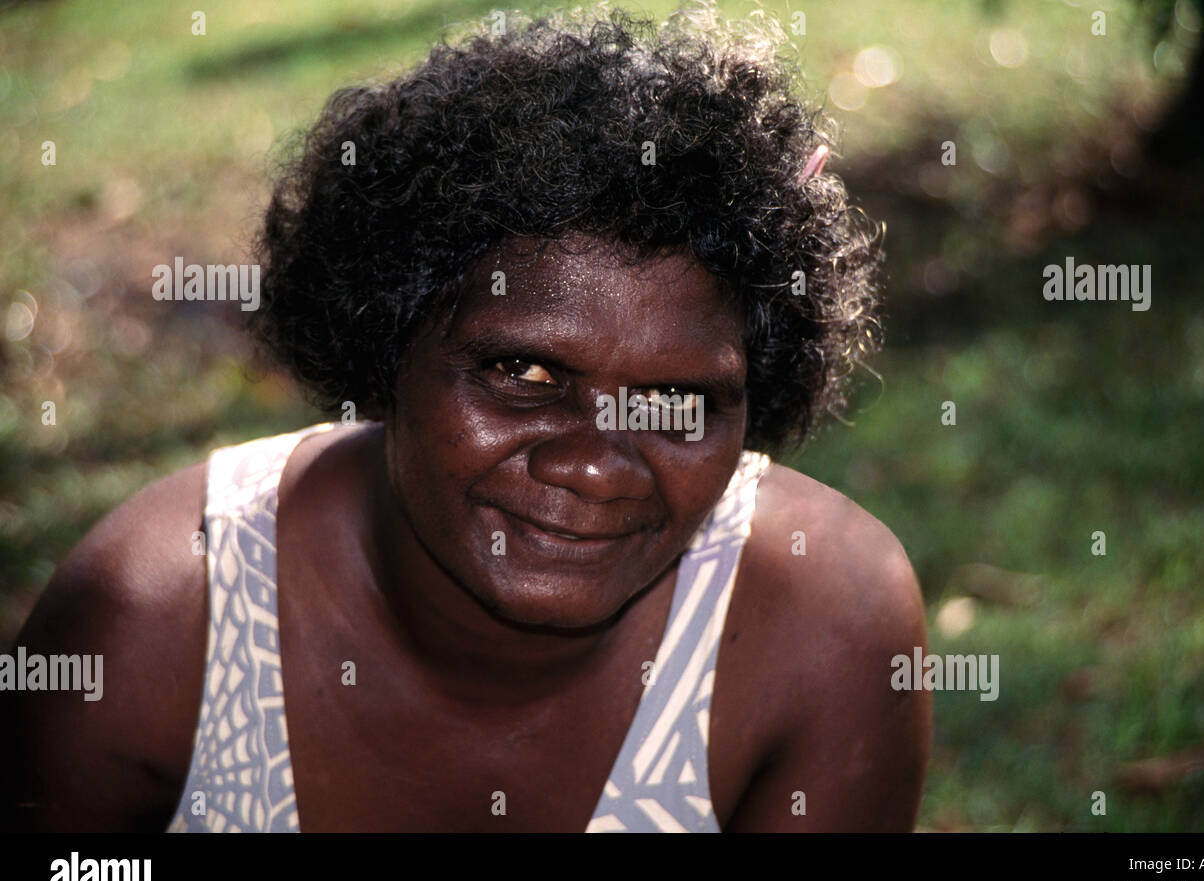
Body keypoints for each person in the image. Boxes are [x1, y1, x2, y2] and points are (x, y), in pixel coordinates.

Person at [2, 0, 929, 832]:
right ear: (385, 346)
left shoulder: (825, 626)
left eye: (678, 402)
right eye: (522, 372)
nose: (598, 467)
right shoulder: (161, 622)